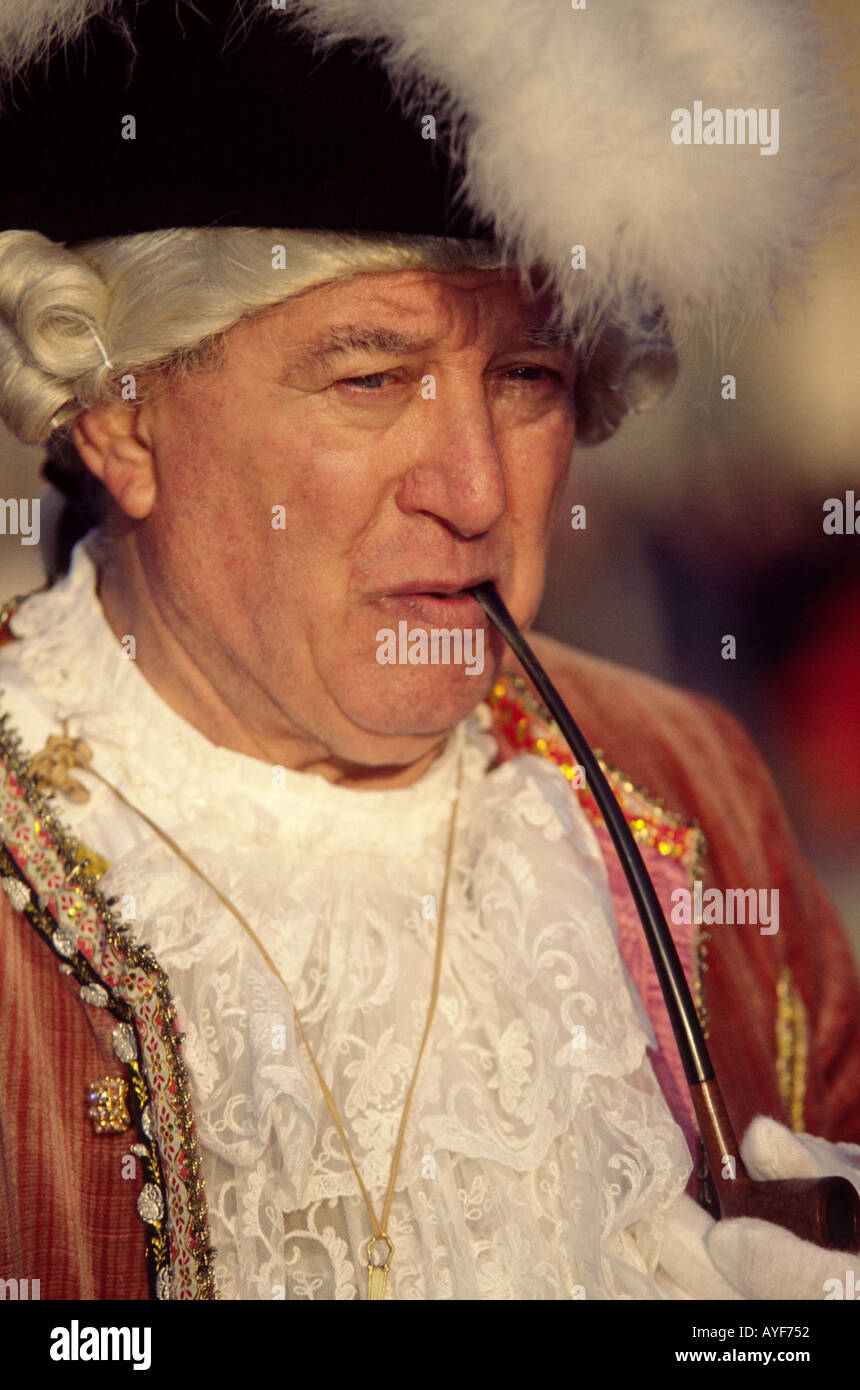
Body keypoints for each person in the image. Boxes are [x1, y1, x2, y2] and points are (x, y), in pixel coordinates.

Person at [0, 0, 857, 1302]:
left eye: (526, 377)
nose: (473, 489)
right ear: (121, 413)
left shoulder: (692, 782)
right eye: (369, 377)